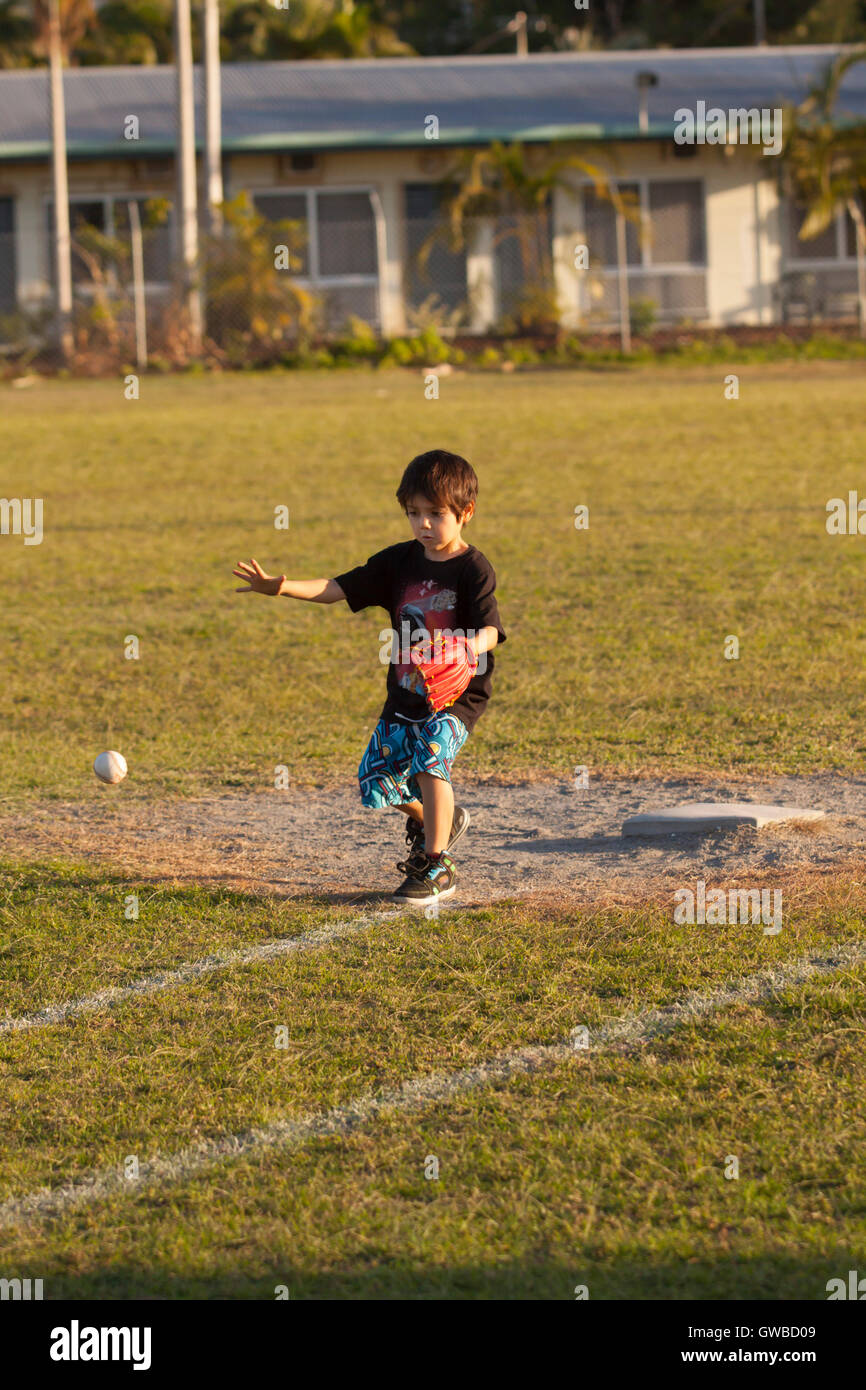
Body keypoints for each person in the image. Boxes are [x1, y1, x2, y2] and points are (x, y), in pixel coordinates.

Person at [233, 448, 506, 906]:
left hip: (455, 693)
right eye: (413, 513)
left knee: (429, 760)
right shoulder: (398, 562)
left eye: (435, 514)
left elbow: (492, 631)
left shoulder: (472, 568)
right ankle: (439, 818)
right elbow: (338, 588)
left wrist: (465, 646)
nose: (422, 524)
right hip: (406, 693)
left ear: (466, 513)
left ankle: (436, 864)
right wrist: (281, 587)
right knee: (376, 778)